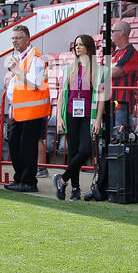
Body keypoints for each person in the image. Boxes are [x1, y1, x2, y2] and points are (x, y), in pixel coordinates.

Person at [54, 34, 108, 201]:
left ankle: (62, 179)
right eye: (76, 45)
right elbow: (62, 95)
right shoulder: (68, 68)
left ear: (88, 47)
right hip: (70, 114)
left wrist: (98, 119)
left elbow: (101, 98)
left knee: (85, 150)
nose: (77, 47)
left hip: (88, 116)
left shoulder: (99, 70)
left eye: (81, 45)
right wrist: (59, 118)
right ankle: (75, 189)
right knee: (72, 152)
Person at [3, 25, 49, 193]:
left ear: (28, 39)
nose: (14, 41)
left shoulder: (35, 57)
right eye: (13, 38)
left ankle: (28, 181)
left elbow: (35, 84)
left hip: (31, 110)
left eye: (18, 37)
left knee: (27, 147)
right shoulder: (21, 57)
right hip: (21, 109)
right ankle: (20, 178)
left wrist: (16, 70)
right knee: (15, 144)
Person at [107, 20, 138, 129]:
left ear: (121, 32)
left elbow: (115, 72)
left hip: (122, 102)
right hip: (110, 101)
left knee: (120, 136)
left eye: (113, 31)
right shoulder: (115, 53)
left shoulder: (131, 52)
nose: (111, 34)